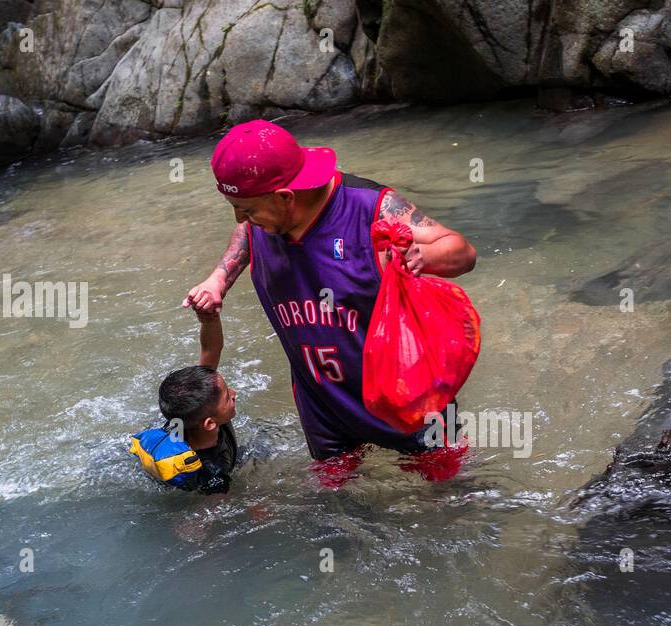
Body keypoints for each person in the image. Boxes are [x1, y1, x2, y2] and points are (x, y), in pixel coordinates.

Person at [182, 119, 477, 486]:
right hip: (322, 402)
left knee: (451, 493)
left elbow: (462, 252)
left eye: (247, 209)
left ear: (286, 196)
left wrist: (424, 259)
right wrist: (218, 280)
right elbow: (246, 231)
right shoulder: (260, 220)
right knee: (339, 511)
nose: (241, 219)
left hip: (403, 392)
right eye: (235, 207)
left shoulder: (370, 208)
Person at [130, 304, 238, 494]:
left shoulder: (185, 415)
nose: (234, 393)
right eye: (228, 397)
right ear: (210, 423)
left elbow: (211, 349)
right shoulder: (213, 473)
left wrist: (210, 318)